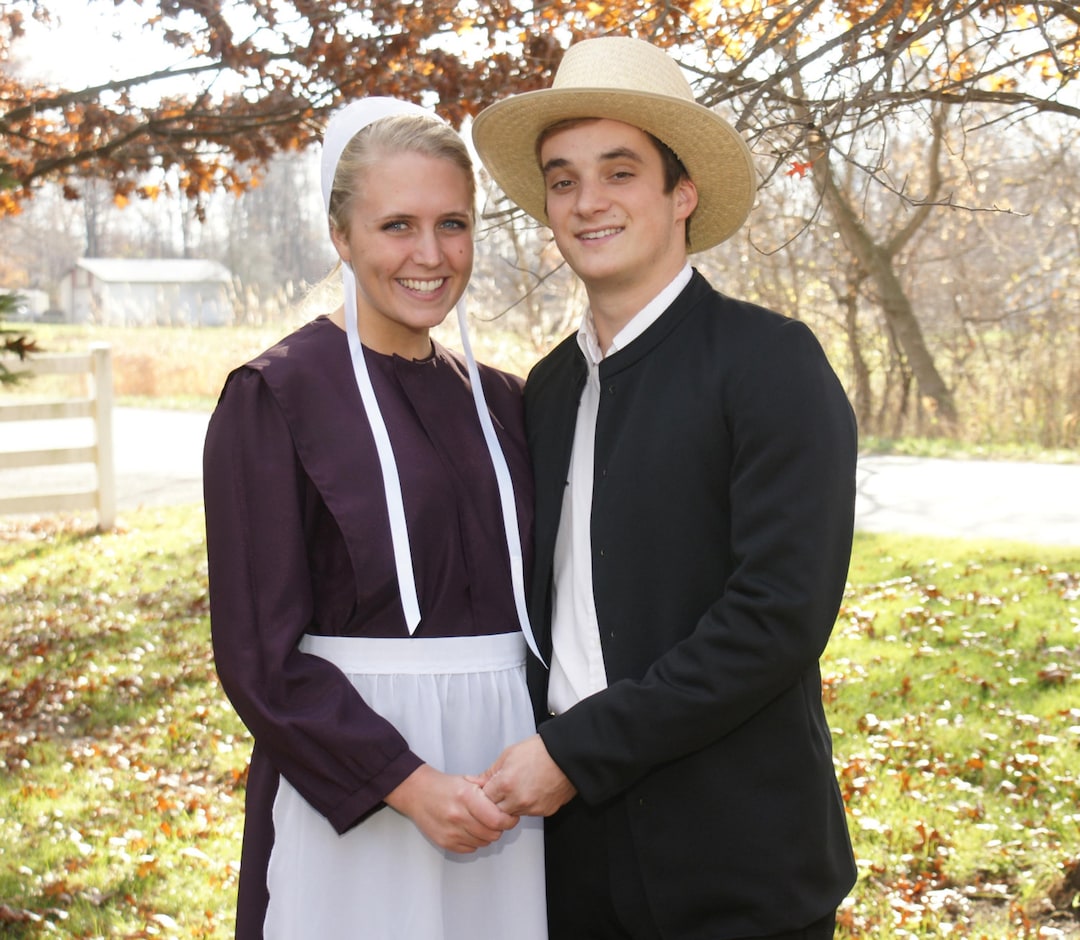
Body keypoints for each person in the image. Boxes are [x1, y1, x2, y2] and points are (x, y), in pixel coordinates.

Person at [471, 36, 859, 939]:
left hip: (737, 858)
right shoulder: (550, 389)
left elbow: (775, 616)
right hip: (571, 858)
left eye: (619, 171)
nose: (587, 201)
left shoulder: (770, 365)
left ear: (682, 194)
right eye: (562, 180)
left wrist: (575, 751)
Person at [203, 97, 546, 940]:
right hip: (356, 784)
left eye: (453, 224)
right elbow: (257, 657)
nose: (430, 256)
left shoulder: (503, 401)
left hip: (511, 784)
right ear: (341, 235)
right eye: (397, 225)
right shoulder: (275, 396)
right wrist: (405, 782)